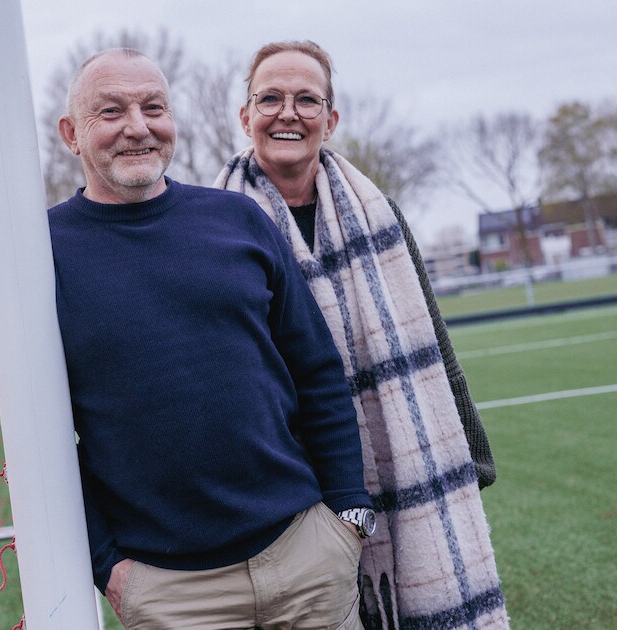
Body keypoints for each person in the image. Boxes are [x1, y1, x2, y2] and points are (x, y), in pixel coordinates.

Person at [48, 47, 375, 629]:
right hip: (171, 591)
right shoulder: (42, 252)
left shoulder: (239, 220)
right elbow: (44, 436)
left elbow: (318, 372)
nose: (138, 127)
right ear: (72, 134)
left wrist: (347, 513)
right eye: (111, 111)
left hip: (305, 554)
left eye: (154, 107)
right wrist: (109, 569)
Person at [214, 40, 508, 628]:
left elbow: (431, 341)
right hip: (290, 486)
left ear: (331, 119)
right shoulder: (213, 226)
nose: (288, 113)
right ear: (246, 116)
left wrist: (470, 455)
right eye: (270, 98)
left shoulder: (380, 214)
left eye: (307, 99)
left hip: (404, 466)